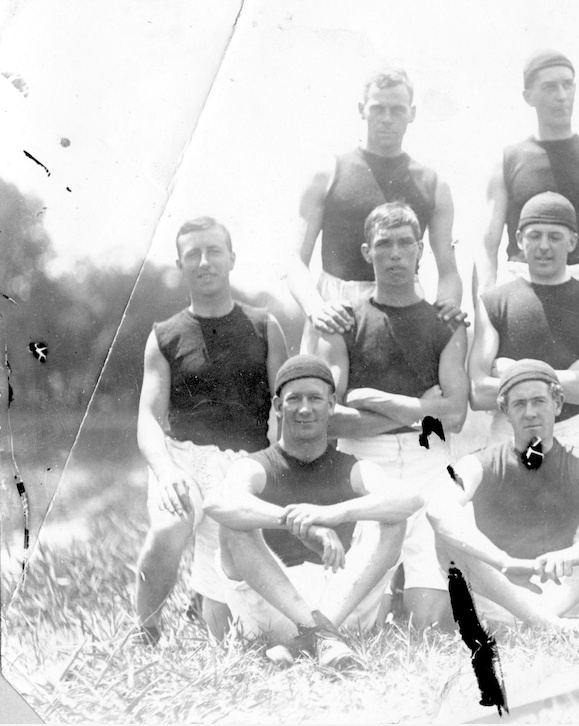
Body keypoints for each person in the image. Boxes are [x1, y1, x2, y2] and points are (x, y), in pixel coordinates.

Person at [204, 355, 421, 667]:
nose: (305, 408)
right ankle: (320, 637)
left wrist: (334, 515)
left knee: (391, 518)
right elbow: (217, 502)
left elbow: (409, 497)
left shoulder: (352, 467)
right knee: (234, 524)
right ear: (278, 406)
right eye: (294, 399)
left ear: (331, 404)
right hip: (275, 608)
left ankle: (312, 638)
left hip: (341, 604)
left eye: (315, 398)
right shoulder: (256, 466)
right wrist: (297, 522)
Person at [134, 216, 288, 644]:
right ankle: (144, 632)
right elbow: (148, 419)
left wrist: (280, 473)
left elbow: (288, 408)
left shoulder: (264, 326)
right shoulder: (163, 336)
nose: (204, 262)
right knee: (169, 527)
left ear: (232, 258)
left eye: (214, 251)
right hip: (185, 460)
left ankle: (202, 604)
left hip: (245, 466)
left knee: (228, 631)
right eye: (192, 254)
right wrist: (166, 472)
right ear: (181, 264)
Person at [316, 202, 469, 629]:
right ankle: (383, 591)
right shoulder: (345, 323)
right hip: (366, 459)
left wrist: (374, 399)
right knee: (360, 622)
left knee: (430, 621)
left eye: (406, 244)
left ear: (421, 250)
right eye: (385, 244)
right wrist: (417, 407)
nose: (396, 254)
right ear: (367, 252)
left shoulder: (446, 324)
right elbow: (329, 419)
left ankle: (410, 586)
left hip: (430, 457)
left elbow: (455, 414)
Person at [428, 359, 579, 632]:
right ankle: (555, 627)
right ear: (505, 412)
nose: (530, 412)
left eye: (539, 401)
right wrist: (504, 562)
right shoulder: (483, 461)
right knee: (446, 536)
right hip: (500, 593)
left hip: (562, 592)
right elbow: (438, 509)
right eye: (518, 404)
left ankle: (541, 620)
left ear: (557, 404)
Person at [285, 67, 464, 356]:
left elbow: (448, 270)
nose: (387, 118)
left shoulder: (432, 184)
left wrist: (445, 307)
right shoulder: (328, 173)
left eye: (397, 109)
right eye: (378, 108)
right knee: (327, 395)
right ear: (361, 110)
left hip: (404, 303)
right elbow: (294, 259)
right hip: (337, 306)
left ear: (412, 113)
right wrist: (315, 307)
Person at [477, 49, 579, 332]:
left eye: (567, 84)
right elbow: (487, 246)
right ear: (528, 96)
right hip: (520, 284)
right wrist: (485, 306)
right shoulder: (507, 160)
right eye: (549, 87)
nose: (561, 95)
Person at [470, 191, 579, 461]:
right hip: (509, 433)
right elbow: (478, 392)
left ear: (572, 241)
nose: (544, 246)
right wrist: (566, 379)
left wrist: (512, 374)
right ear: (519, 240)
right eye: (535, 235)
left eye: (555, 237)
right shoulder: (493, 303)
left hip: (574, 435)